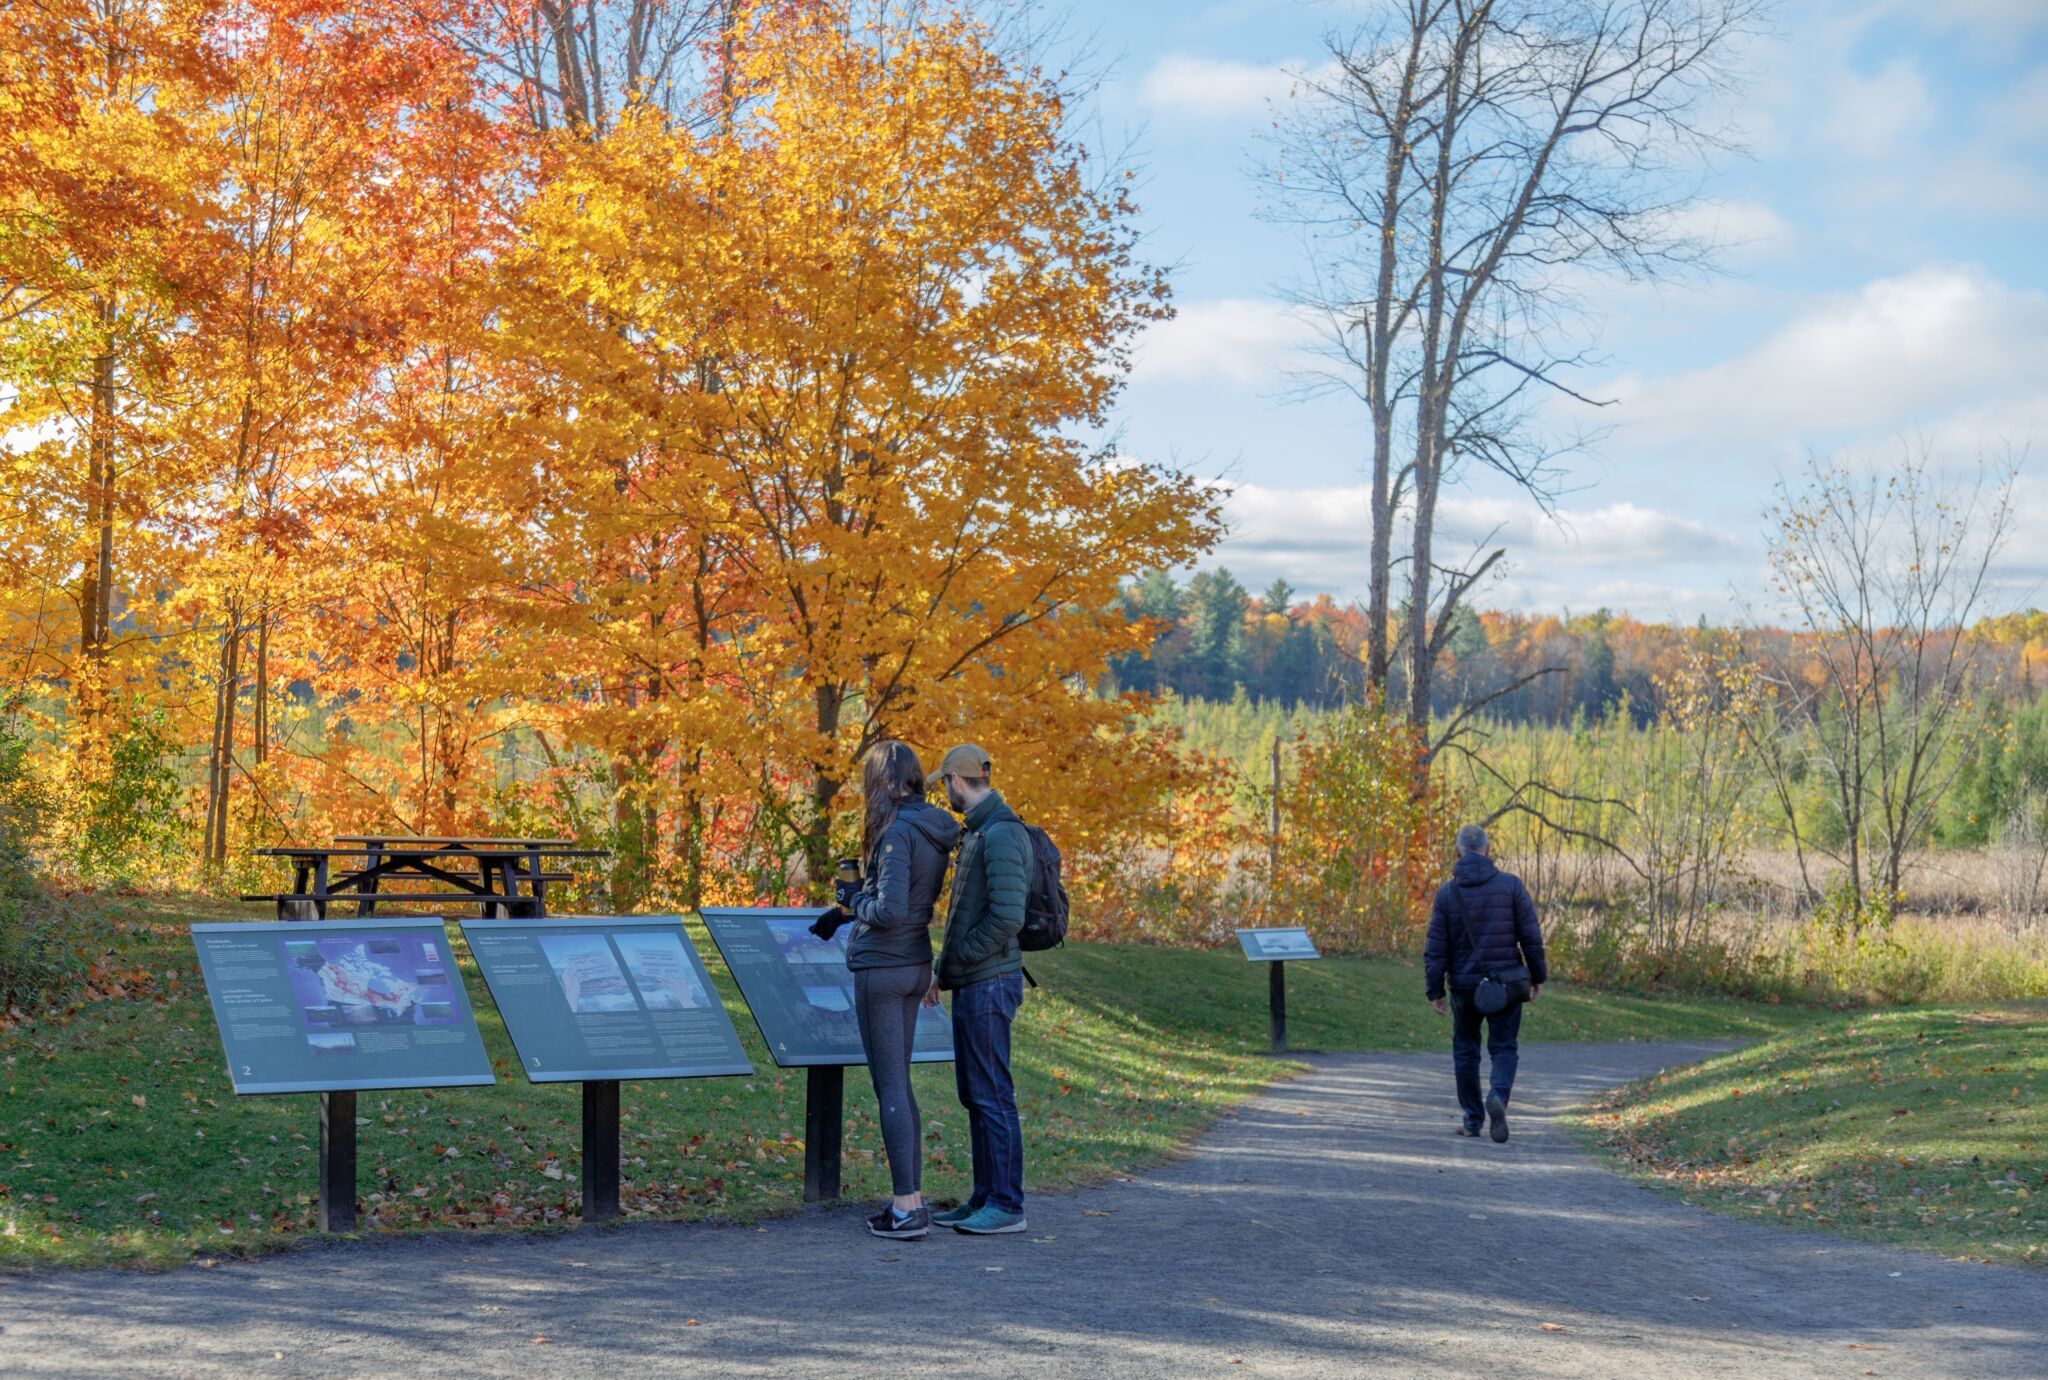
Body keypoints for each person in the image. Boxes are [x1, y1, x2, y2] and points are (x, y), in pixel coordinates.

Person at [817, 740, 960, 1240]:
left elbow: (891, 908)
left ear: (877, 781)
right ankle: (912, 1201)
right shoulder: (934, 826)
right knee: (900, 1083)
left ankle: (904, 1208)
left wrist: (857, 904)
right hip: (915, 961)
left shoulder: (897, 832)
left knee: (891, 1087)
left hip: (884, 966)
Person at [927, 742, 1031, 1235]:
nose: (943, 790)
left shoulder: (1002, 832)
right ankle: (985, 1196)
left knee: (993, 1094)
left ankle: (1008, 1205)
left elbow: (1009, 917)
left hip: (990, 983)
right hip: (974, 981)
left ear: (957, 780)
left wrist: (963, 956)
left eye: (944, 782)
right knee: (976, 1094)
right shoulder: (979, 830)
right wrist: (947, 969)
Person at [1424, 823, 1548, 1144]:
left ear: (1457, 852)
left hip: (1464, 988)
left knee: (1466, 1051)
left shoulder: (1447, 894)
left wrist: (1435, 989)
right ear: (1488, 850)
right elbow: (1531, 938)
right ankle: (1498, 1096)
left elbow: (1436, 947)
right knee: (1504, 1047)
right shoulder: (1511, 887)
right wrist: (1537, 976)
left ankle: (1472, 1119)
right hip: (1505, 986)